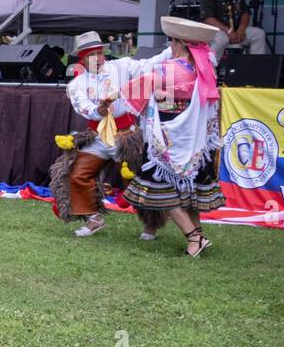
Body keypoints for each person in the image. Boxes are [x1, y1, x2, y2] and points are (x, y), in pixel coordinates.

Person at [120, 16, 224, 256]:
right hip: (198, 138)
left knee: (162, 191)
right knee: (193, 190)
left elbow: (136, 90)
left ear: (179, 44)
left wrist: (114, 94)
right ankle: (198, 236)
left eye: (172, 42)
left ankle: (193, 237)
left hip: (168, 137)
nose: (170, 47)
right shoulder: (205, 69)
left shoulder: (167, 70)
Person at [49, 30, 150, 238]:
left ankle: (151, 224)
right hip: (98, 136)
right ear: (82, 59)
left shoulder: (121, 67)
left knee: (139, 180)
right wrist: (99, 111)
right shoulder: (77, 84)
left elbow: (149, 65)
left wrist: (174, 53)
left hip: (127, 135)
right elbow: (84, 107)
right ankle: (93, 219)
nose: (96, 58)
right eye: (90, 55)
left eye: (98, 53)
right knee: (76, 174)